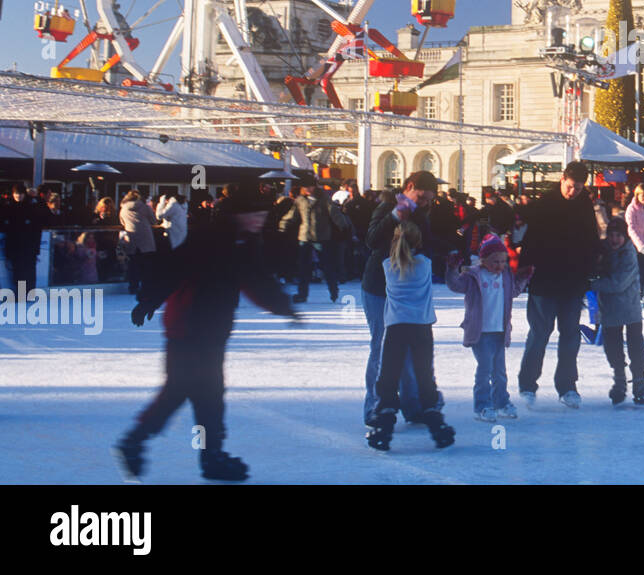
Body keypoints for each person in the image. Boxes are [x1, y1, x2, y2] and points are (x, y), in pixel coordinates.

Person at [113, 181, 299, 481]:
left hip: (214, 328)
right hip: (187, 325)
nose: (260, 220)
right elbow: (174, 267)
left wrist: (282, 306)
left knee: (209, 394)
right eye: (256, 214)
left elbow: (256, 280)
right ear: (240, 214)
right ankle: (135, 441)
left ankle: (211, 455)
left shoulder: (245, 241)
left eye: (263, 215)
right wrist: (148, 299)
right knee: (181, 389)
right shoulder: (209, 237)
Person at [365, 218, 457, 451]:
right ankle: (434, 417)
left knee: (389, 375)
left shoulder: (388, 266)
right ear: (418, 243)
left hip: (396, 327)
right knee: (424, 374)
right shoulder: (424, 264)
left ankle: (384, 415)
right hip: (421, 327)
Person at [516, 161, 601, 409]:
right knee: (540, 333)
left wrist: (592, 271)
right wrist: (525, 271)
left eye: (578, 188)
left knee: (570, 335)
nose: (573, 192)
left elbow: (591, 240)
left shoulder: (584, 204)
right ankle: (528, 384)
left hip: (573, 281)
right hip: (545, 279)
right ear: (563, 179)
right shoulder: (545, 203)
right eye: (570, 186)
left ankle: (567, 386)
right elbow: (531, 240)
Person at [363, 172, 443, 428]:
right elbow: (371, 240)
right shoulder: (387, 207)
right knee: (382, 348)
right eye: (421, 197)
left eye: (429, 200)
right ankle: (376, 407)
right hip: (378, 288)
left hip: (407, 290)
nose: (424, 203)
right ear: (409, 187)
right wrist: (395, 216)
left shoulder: (421, 214)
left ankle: (413, 406)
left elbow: (428, 244)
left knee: (410, 351)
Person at [446, 232, 532, 420]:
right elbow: (454, 285)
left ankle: (501, 402)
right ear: (483, 260)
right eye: (495, 262)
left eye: (503, 261)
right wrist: (452, 268)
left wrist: (523, 278)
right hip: (480, 332)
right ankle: (482, 406)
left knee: (500, 373)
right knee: (485, 370)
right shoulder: (473, 277)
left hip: (499, 332)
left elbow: (514, 292)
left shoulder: (506, 276)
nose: (500, 266)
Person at [592, 217, 644, 405]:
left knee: (636, 348)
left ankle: (639, 381)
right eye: (611, 235)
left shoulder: (629, 254)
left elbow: (618, 283)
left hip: (629, 309)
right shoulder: (602, 251)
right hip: (609, 310)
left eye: (618, 236)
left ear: (626, 237)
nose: (614, 240)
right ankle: (620, 380)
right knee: (613, 348)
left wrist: (592, 283)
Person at [280, 175, 348, 304]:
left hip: (321, 237)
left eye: (309, 186)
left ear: (314, 186)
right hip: (305, 237)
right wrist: (283, 224)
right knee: (303, 267)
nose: (307, 189)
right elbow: (293, 214)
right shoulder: (300, 200)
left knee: (327, 266)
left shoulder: (324, 199)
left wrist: (342, 225)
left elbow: (334, 212)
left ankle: (333, 290)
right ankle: (302, 294)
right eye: (305, 187)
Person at [119, 190, 157, 296]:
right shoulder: (145, 207)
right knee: (146, 265)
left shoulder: (123, 209)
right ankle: (146, 287)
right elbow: (153, 220)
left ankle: (133, 286)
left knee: (133, 264)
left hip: (131, 238)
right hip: (146, 239)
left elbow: (122, 222)